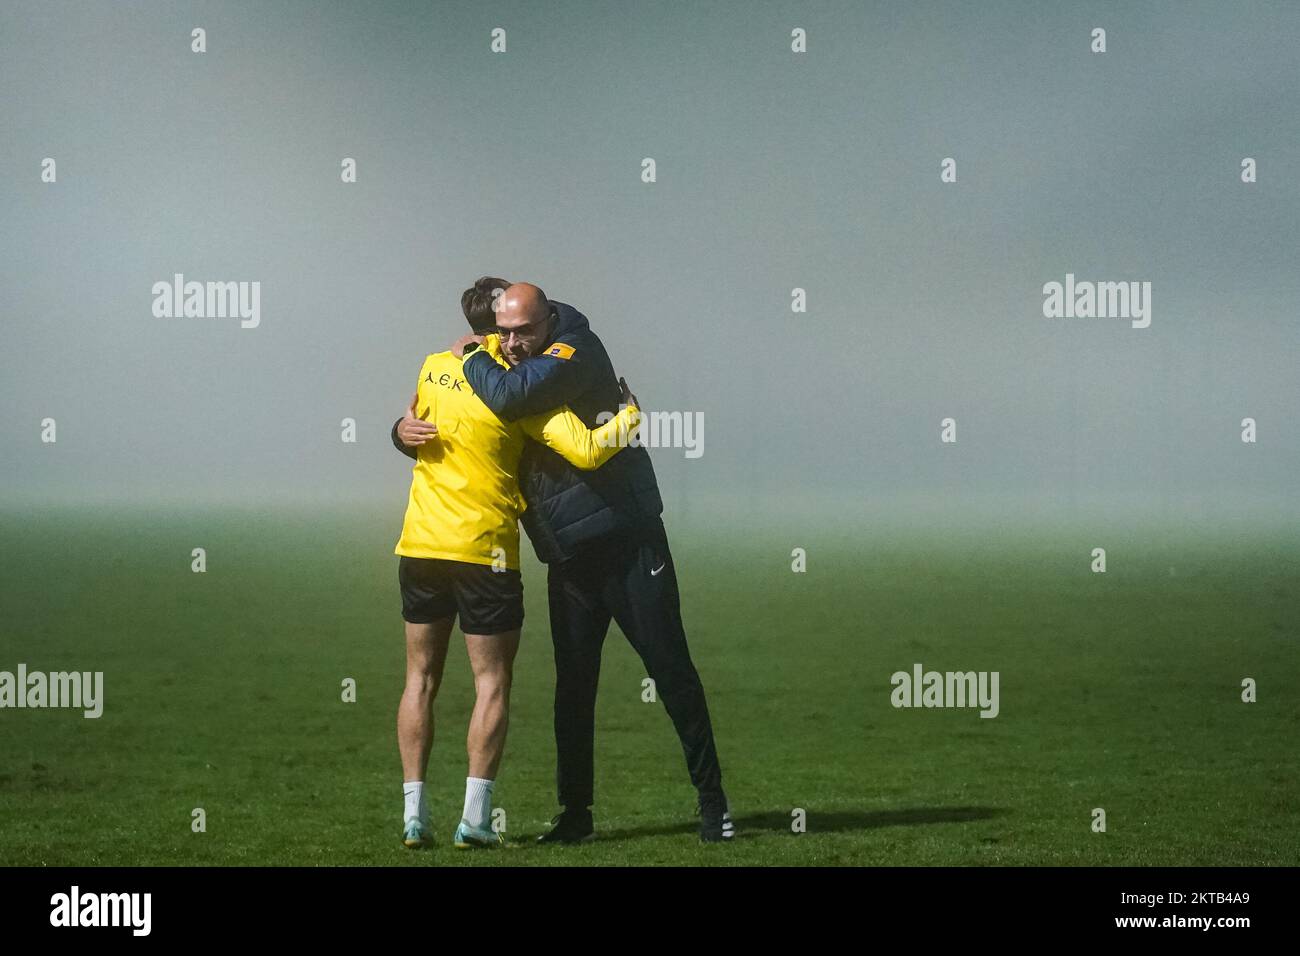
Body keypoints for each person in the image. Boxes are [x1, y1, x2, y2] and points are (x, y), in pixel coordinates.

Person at [397, 278, 732, 843]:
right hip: (568, 554)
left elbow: (510, 398)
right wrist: (400, 431)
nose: (513, 341)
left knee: (671, 670)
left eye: (523, 330)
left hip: (627, 541)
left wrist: (474, 352)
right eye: (502, 331)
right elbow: (446, 421)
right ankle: (575, 817)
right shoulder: (510, 365)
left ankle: (713, 805)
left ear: (548, 319)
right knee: (573, 689)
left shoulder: (573, 351)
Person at [392, 287, 640, 850]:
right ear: (503, 330)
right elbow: (586, 450)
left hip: (420, 545)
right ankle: (474, 820)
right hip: (486, 552)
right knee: (491, 683)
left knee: (420, 680)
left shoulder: (435, 367)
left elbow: (412, 425)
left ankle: (414, 816)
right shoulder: (522, 395)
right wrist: (629, 418)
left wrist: (396, 431)